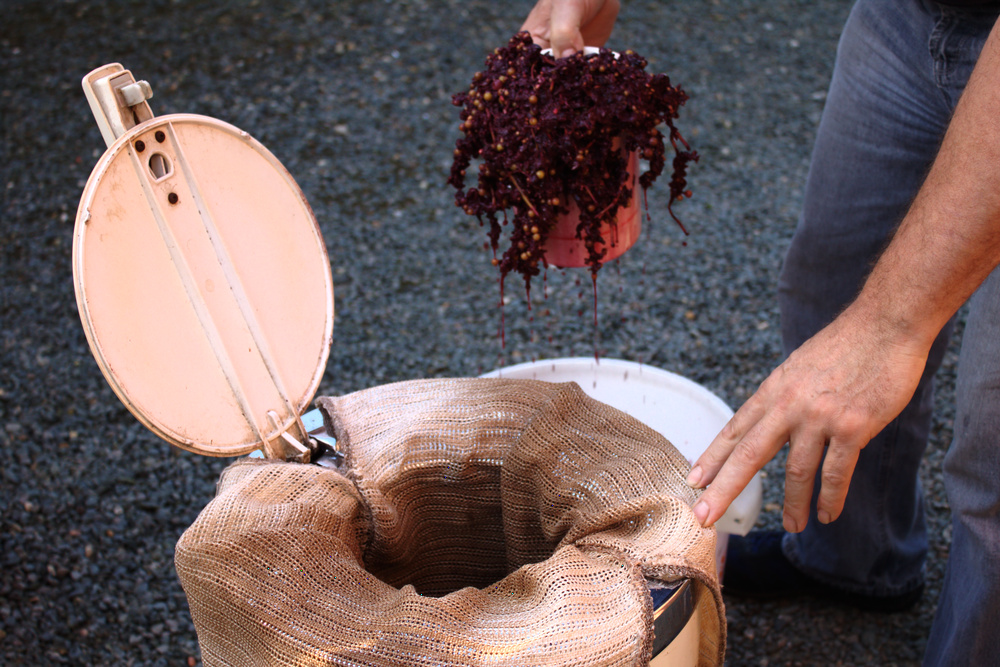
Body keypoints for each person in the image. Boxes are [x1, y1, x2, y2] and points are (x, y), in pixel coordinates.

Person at [521, 0, 1000, 664]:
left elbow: (888, 328)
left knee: (993, 452)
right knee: (831, 288)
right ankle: (855, 556)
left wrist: (892, 327)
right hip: (908, 17)